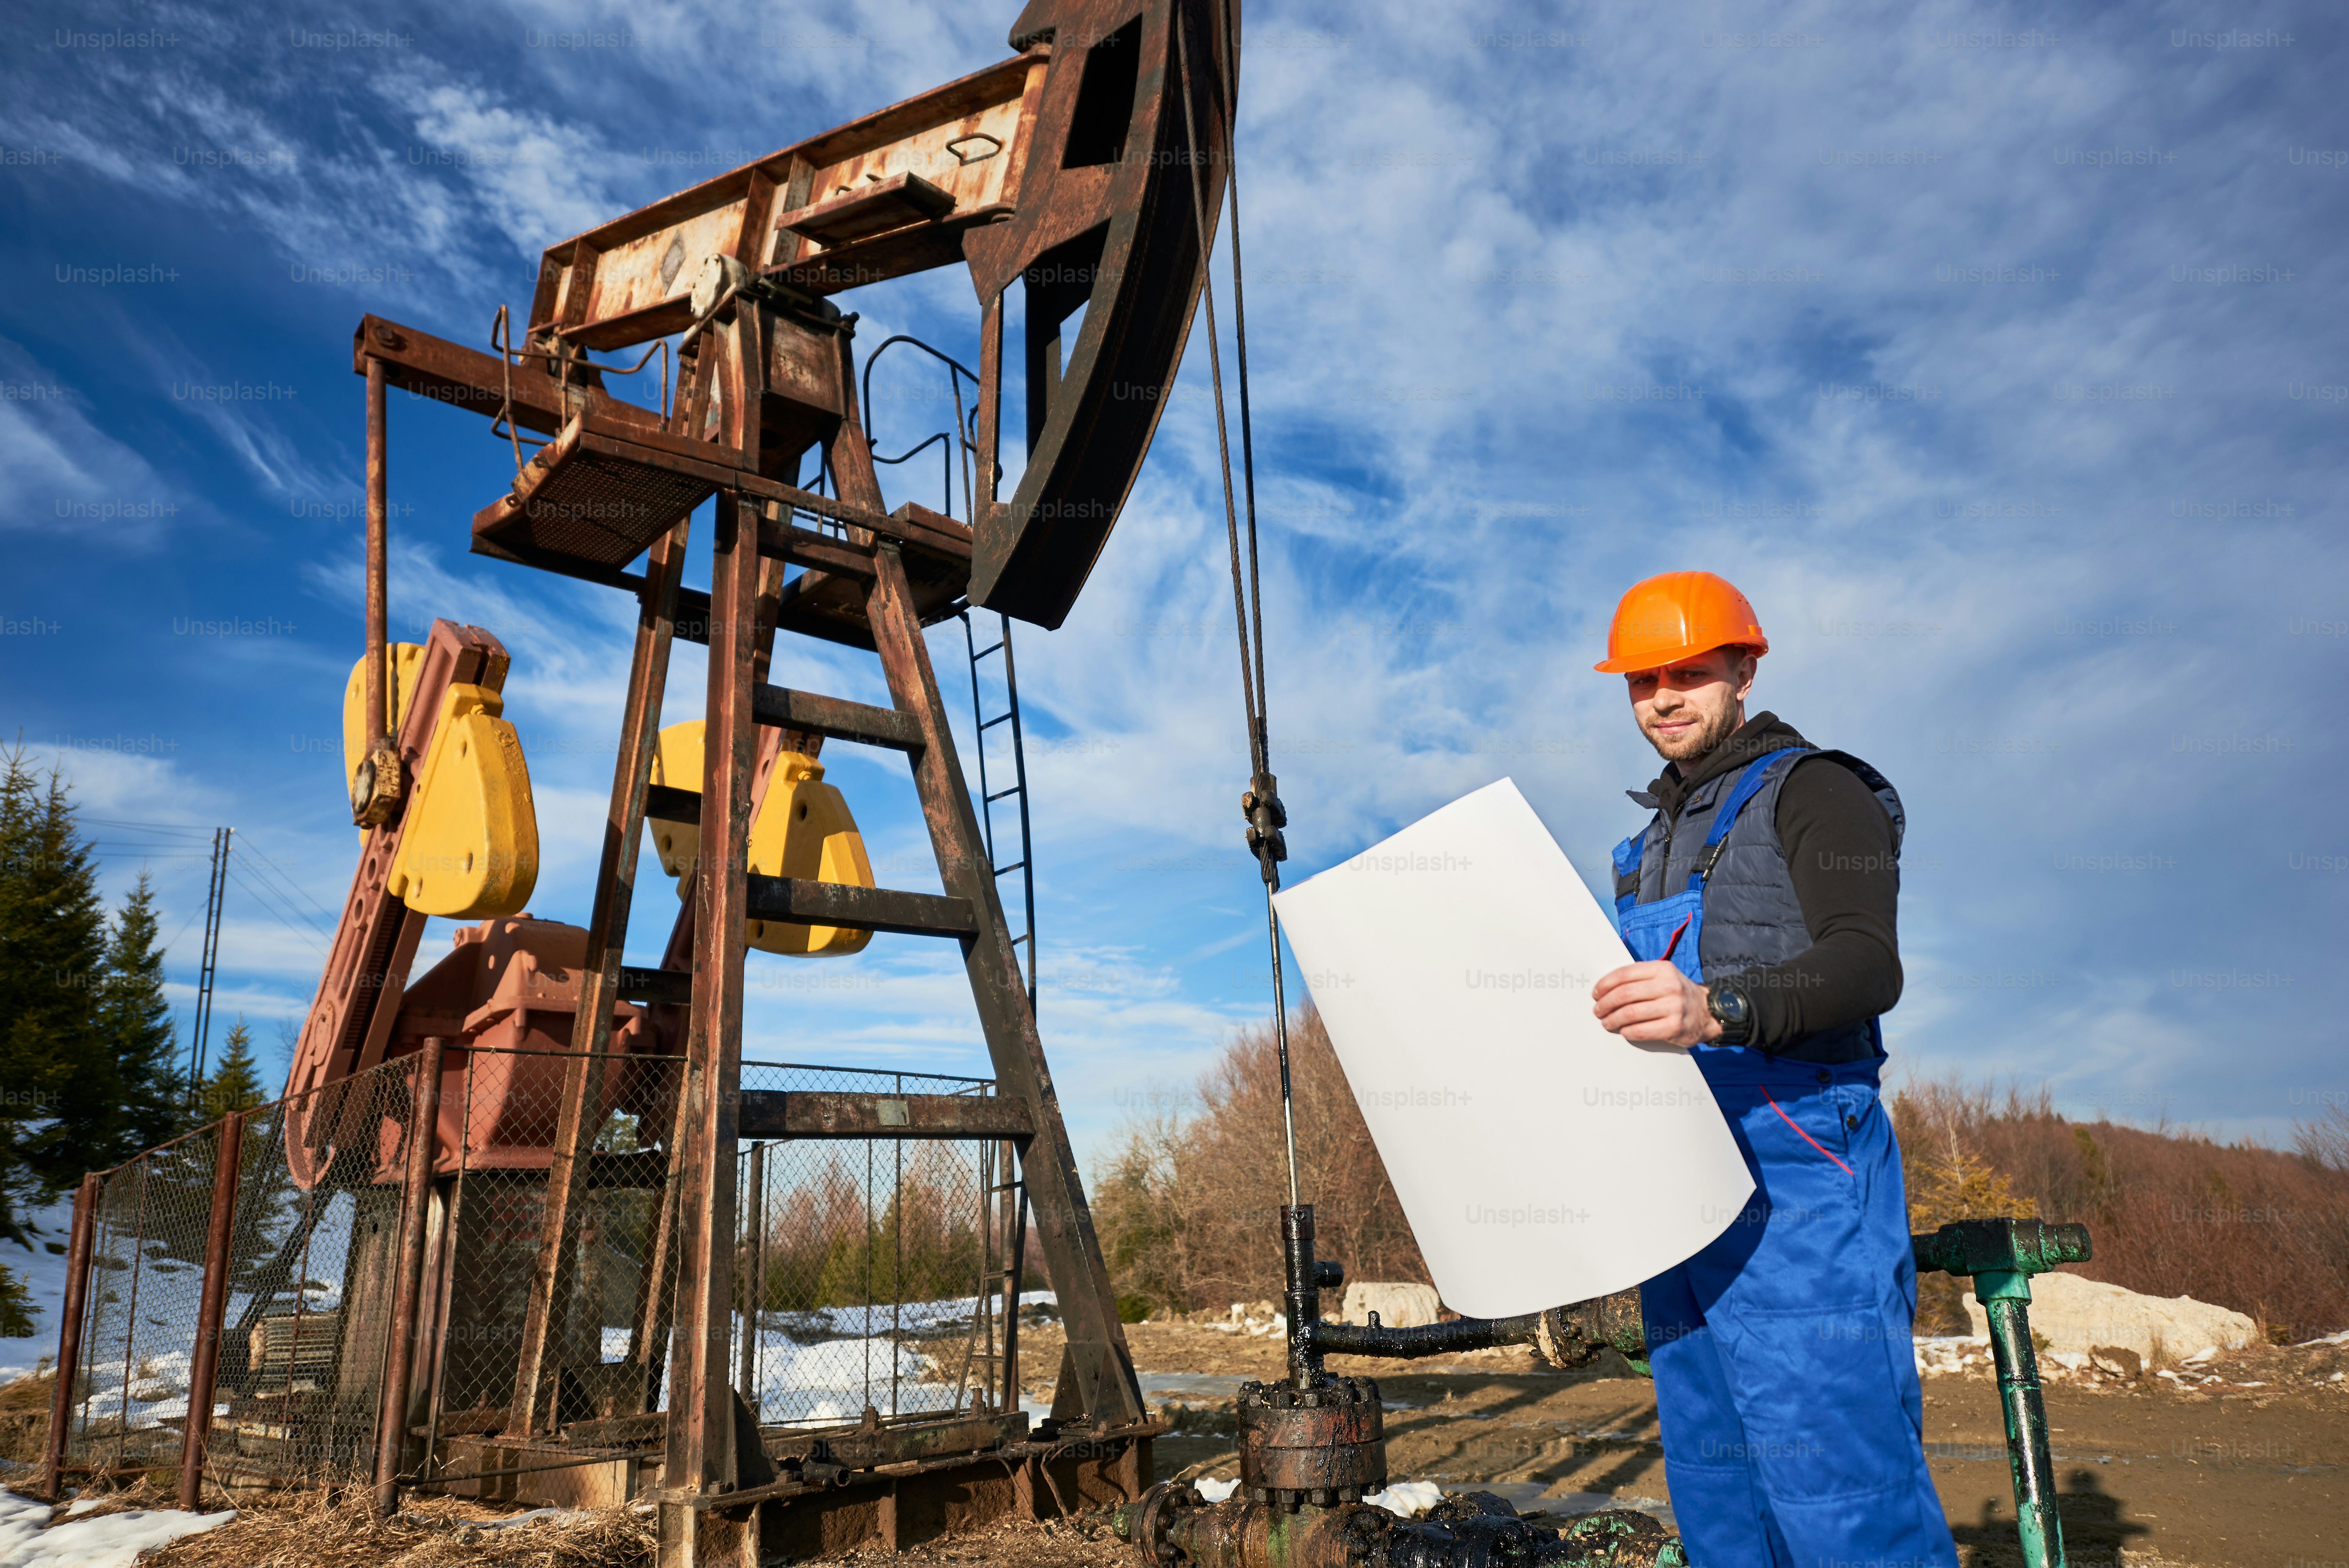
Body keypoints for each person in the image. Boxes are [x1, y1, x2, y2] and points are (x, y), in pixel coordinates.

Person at [1586, 570, 1955, 1568]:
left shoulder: (1816, 790)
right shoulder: (1644, 844)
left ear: (1743, 668)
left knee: (1840, 1488)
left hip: (1798, 1164)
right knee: (1719, 1499)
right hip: (1680, 1178)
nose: (1659, 697)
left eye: (1686, 673)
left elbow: (1866, 962)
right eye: (1638, 680)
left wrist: (1716, 1009)